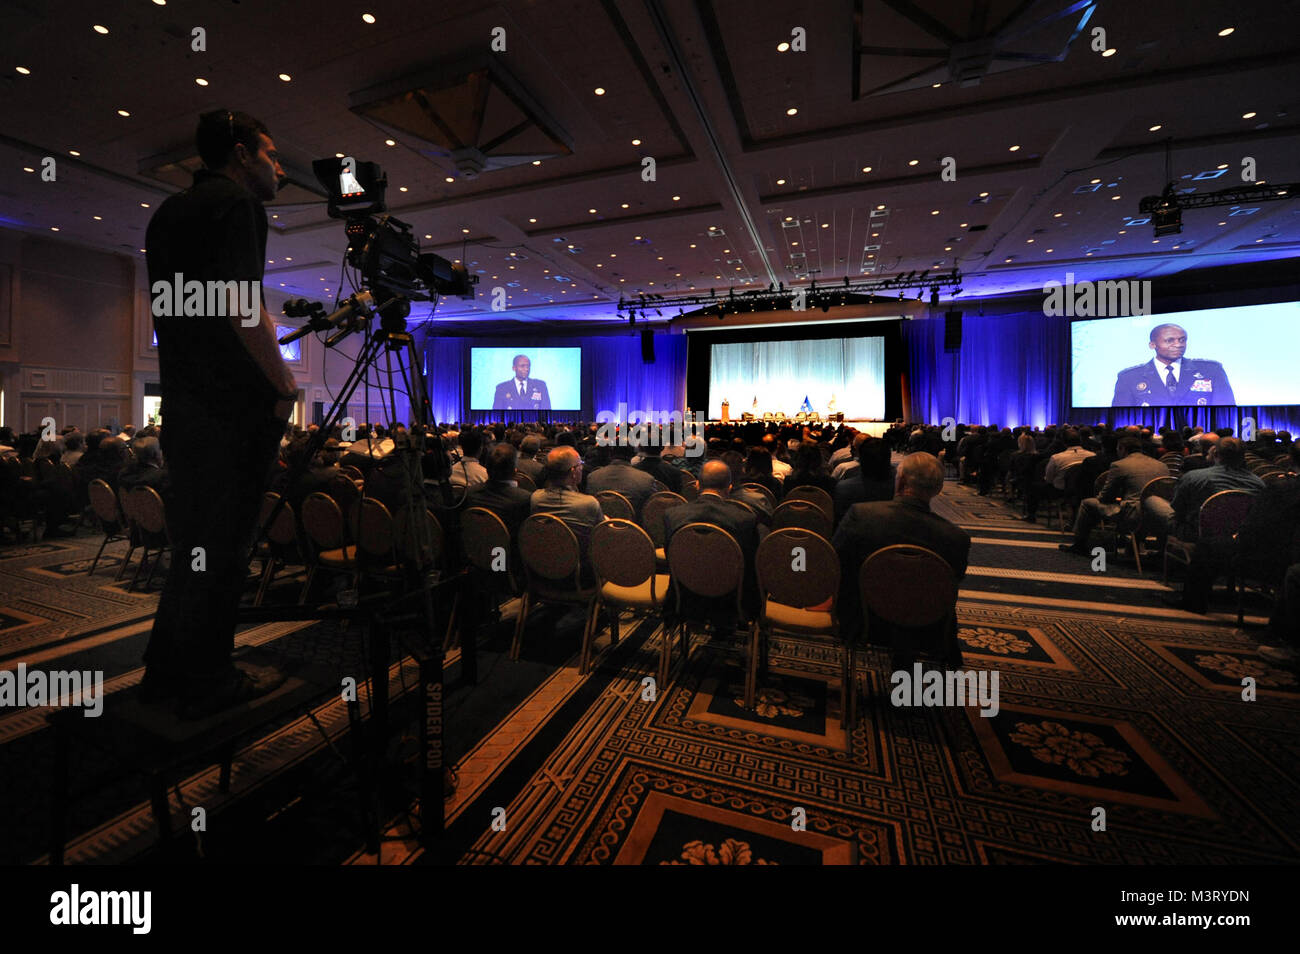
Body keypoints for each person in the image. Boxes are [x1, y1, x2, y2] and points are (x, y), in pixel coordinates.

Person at [141, 109, 297, 718]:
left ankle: (166, 671)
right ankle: (209, 679)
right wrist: (282, 381)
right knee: (226, 552)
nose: (279, 166)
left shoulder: (167, 214)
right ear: (239, 154)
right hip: (232, 411)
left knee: (194, 550)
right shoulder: (239, 206)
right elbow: (240, 304)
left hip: (185, 405)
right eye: (271, 154)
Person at [833, 453, 971, 668]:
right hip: (927, 628)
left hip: (864, 620)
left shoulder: (861, 514)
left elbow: (835, 562)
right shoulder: (956, 538)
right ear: (938, 489)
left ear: (901, 481)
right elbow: (951, 584)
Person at [663, 459, 764, 620]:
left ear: (697, 485)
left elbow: (671, 559)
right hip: (731, 603)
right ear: (729, 488)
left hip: (685, 598)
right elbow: (751, 567)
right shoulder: (745, 519)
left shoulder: (672, 515)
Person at [1059, 436, 1169, 556]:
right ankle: (1141, 546)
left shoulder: (1120, 465)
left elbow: (1105, 497)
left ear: (1122, 448)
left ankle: (1080, 545)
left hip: (1132, 515)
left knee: (1087, 503)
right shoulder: (1162, 465)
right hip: (1158, 516)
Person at [1111, 323, 1236, 407]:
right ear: (1152, 345)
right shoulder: (1129, 377)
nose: (1178, 344)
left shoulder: (1212, 370)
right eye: (1170, 340)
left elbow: (1226, 408)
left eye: (1182, 340)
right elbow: (1121, 415)